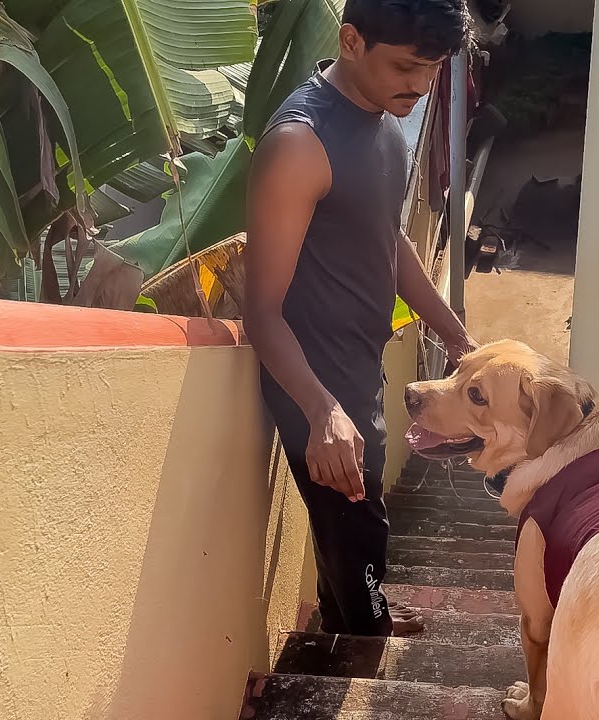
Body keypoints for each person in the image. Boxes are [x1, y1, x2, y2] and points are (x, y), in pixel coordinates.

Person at [245, 0, 476, 637]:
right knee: (358, 523)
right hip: (316, 387)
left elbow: (387, 241)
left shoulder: (385, 121)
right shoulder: (300, 144)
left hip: (360, 368)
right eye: (406, 66)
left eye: (432, 69)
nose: (421, 85)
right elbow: (260, 312)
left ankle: (355, 614)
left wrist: (453, 332)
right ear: (351, 41)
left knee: (352, 531)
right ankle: (364, 635)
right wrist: (322, 412)